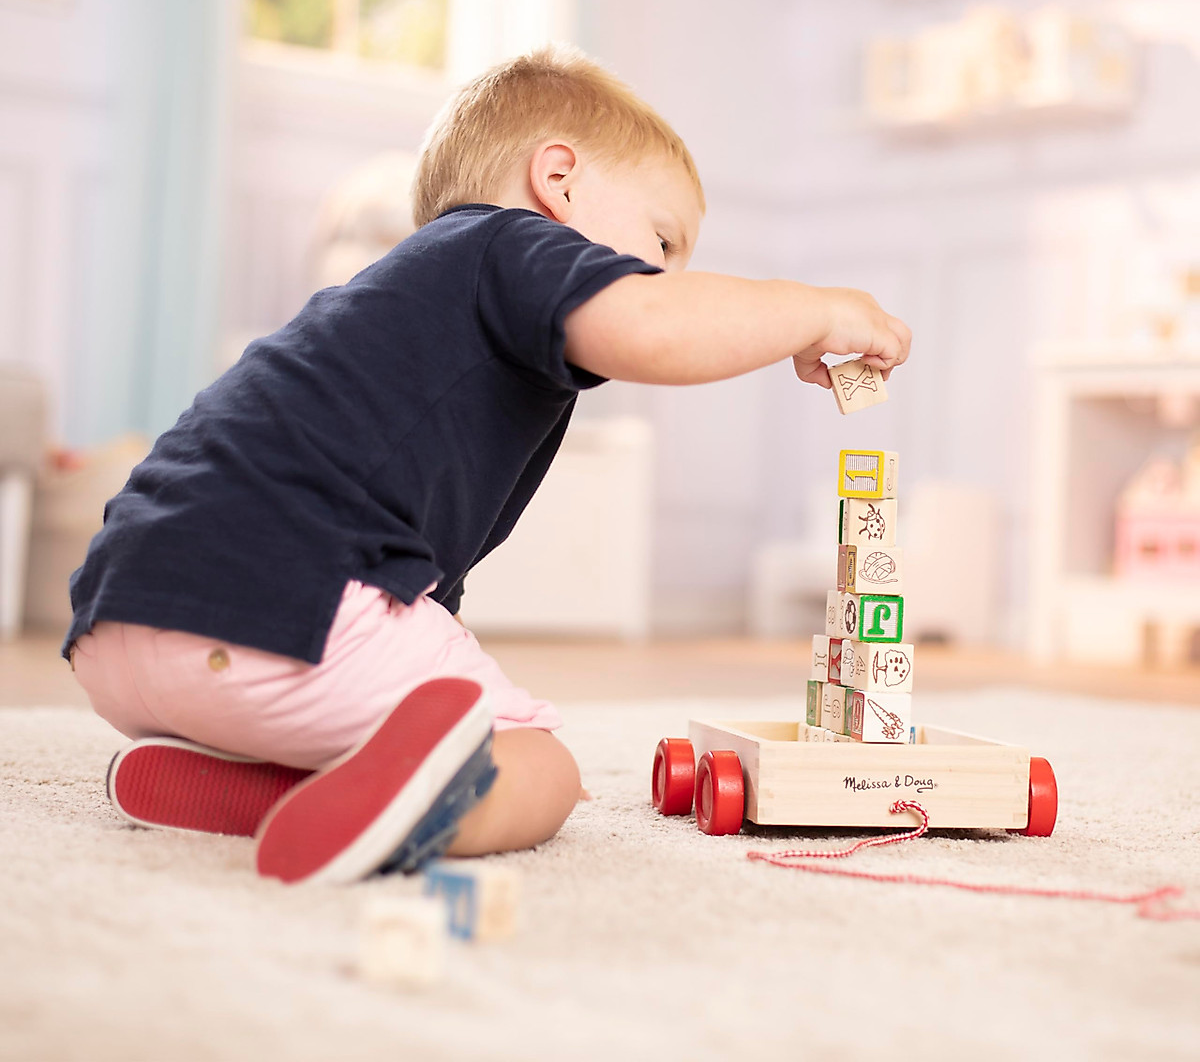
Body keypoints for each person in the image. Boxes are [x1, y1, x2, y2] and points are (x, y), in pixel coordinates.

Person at [65, 45, 911, 885]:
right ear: (559, 181)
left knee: (412, 708)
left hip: (121, 629)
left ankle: (265, 791)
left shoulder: (400, 302)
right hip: (277, 618)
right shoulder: (513, 246)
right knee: (539, 770)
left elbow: (414, 563)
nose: (666, 276)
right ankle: (406, 814)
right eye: (661, 243)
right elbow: (656, 326)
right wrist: (814, 312)